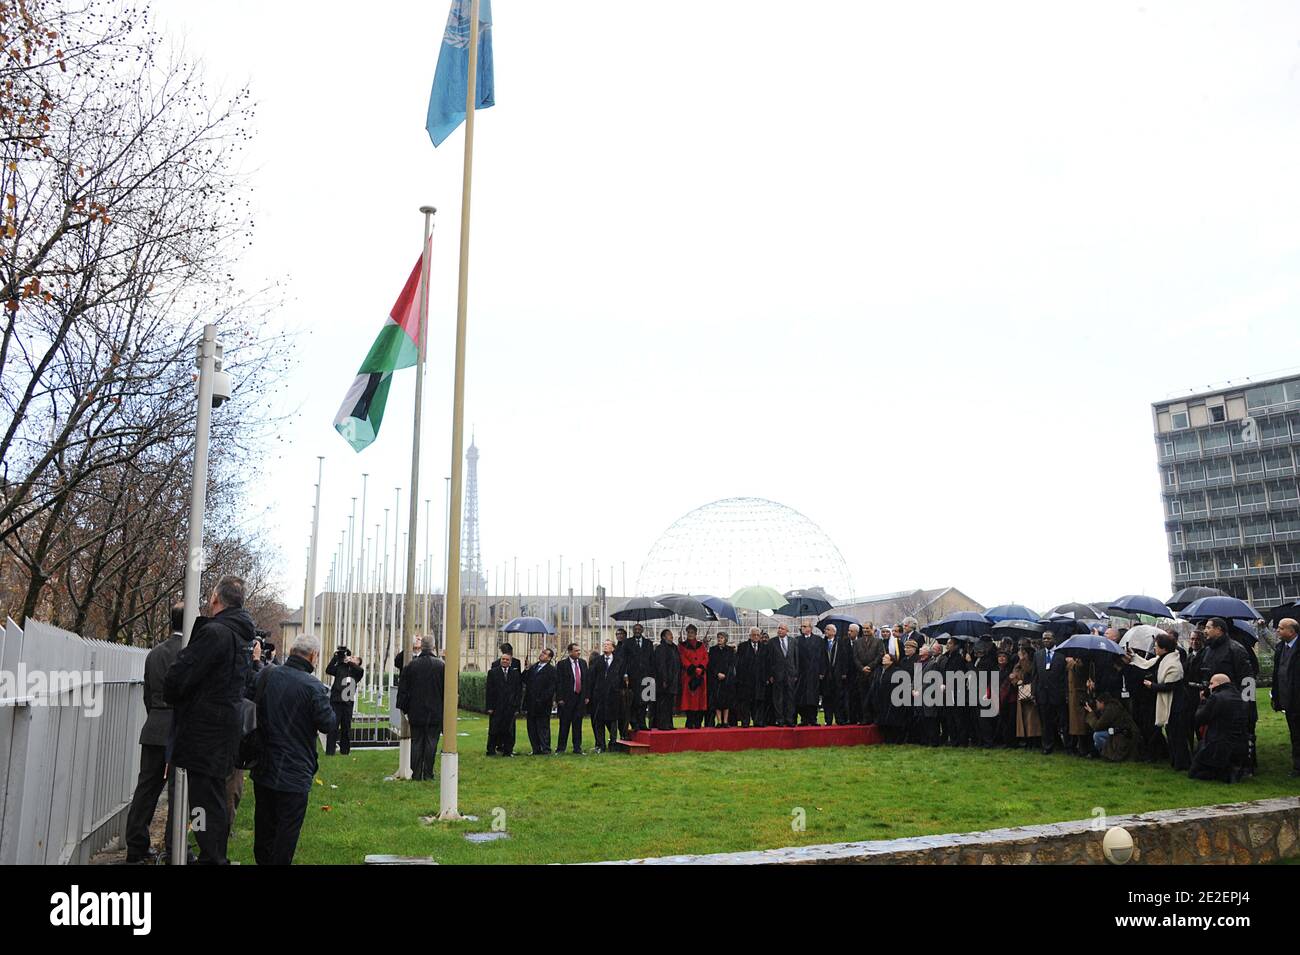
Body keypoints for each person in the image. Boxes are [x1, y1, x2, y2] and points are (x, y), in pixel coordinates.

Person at [162, 575, 256, 865]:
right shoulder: (241, 634)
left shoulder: (216, 633)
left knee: (202, 805)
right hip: (222, 732)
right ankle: (214, 855)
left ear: (216, 599)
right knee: (213, 800)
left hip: (204, 734)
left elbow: (178, 678)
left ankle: (211, 858)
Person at [250, 633, 334, 864]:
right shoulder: (313, 687)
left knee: (265, 827)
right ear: (313, 656)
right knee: (286, 832)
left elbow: (249, 697)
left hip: (264, 764)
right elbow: (327, 724)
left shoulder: (267, 675)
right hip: (296, 770)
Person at [124, 603, 185, 864]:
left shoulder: (155, 653)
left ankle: (135, 847)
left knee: (146, 790)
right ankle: (175, 847)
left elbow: (148, 694)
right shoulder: (189, 653)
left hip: (154, 727)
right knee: (179, 792)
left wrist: (156, 717)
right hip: (179, 729)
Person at [1126, 633, 1190, 771]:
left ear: (1164, 648)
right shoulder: (1162, 659)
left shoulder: (1174, 664)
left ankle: (1182, 763)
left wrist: (1152, 686)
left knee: (1177, 734)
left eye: (1156, 646)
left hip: (1176, 703)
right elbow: (1147, 664)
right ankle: (1175, 762)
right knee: (1171, 733)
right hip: (1169, 701)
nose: (1154, 648)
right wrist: (1134, 656)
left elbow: (1170, 686)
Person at [396, 636, 445, 779]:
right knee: (431, 742)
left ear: (421, 647)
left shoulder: (411, 666)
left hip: (415, 711)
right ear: (433, 646)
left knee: (416, 742)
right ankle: (428, 773)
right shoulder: (441, 666)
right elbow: (446, 691)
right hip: (435, 710)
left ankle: (416, 773)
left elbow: (403, 690)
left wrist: (405, 709)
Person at [1189, 673, 1249, 782]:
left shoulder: (1216, 697)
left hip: (1218, 743)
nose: (1209, 687)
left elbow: (1200, 718)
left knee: (1195, 772)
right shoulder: (1240, 697)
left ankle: (1222, 774)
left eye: (1211, 683)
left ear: (1218, 684)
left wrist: (1202, 701)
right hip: (1240, 743)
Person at [1271, 617, 1299, 777]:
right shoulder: (1281, 648)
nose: (1278, 631)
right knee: (1295, 734)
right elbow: (1277, 674)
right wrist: (1276, 696)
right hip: (1288, 700)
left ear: (1291, 631)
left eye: (1281, 628)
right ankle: (1297, 766)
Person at [1032, 632, 1068, 754]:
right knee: (1046, 723)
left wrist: (1065, 693)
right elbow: (1035, 675)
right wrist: (1034, 692)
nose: (1046, 640)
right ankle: (1047, 746)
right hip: (1042, 694)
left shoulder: (1061, 655)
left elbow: (1065, 676)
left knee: (1063, 722)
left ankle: (1068, 746)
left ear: (1054, 639)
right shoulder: (1038, 655)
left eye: (1048, 638)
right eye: (1044, 638)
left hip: (1058, 694)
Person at [324, 647, 363, 756]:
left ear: (358, 663)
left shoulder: (357, 672)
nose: (351, 658)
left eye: (355, 658)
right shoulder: (340, 667)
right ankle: (330, 751)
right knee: (333, 727)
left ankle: (345, 751)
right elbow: (328, 670)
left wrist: (350, 662)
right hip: (336, 701)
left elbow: (360, 670)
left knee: (346, 728)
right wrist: (336, 657)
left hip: (347, 702)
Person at [1083, 693, 1141, 762]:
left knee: (1097, 736)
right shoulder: (1111, 707)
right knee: (1097, 740)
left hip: (1124, 736)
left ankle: (1108, 754)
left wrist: (1091, 713)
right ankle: (1106, 753)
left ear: (1102, 703)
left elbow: (1097, 726)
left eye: (1097, 703)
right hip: (1121, 734)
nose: (1096, 704)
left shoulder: (1110, 709)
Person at [554, 643, 589, 754]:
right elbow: (558, 682)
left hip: (580, 698)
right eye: (576, 650)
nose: (578, 652)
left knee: (577, 725)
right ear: (569, 652)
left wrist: (586, 696)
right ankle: (561, 748)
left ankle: (577, 748)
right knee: (564, 724)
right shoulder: (562, 664)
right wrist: (559, 698)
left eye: (579, 650)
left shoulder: (583, 663)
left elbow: (585, 681)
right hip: (567, 699)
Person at [485, 651, 522, 756]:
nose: (505, 661)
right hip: (496, 706)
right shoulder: (493, 672)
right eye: (503, 659)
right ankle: (491, 750)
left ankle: (507, 751)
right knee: (494, 729)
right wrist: (489, 707)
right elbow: (489, 691)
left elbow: (518, 691)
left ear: (510, 661)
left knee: (508, 730)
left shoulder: (515, 673)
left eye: (507, 660)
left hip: (510, 706)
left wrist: (516, 707)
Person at [764, 623, 799, 727]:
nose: (779, 630)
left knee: (790, 698)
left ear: (787, 630)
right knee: (778, 698)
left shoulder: (793, 641)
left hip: (790, 674)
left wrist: (796, 673)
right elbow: (769, 660)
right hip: (777, 675)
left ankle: (789, 719)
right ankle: (780, 719)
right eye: (778, 628)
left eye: (782, 628)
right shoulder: (772, 642)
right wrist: (770, 675)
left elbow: (796, 658)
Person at [589, 638, 621, 751]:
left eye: (608, 645)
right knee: (599, 721)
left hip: (613, 695)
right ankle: (600, 745)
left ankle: (613, 744)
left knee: (612, 721)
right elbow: (592, 678)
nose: (605, 646)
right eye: (604, 644)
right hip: (599, 696)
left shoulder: (619, 660)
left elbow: (621, 676)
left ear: (613, 648)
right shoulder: (597, 661)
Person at [523, 648, 556, 754]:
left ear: (549, 658)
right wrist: (527, 669)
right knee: (531, 727)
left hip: (543, 704)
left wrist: (542, 699)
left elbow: (551, 687)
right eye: (542, 652)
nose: (542, 654)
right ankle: (535, 748)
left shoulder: (551, 670)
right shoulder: (533, 667)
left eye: (545, 654)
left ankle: (545, 748)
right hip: (531, 703)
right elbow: (525, 680)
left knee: (543, 727)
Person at [733, 627, 766, 727]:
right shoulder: (743, 647)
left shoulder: (764, 647)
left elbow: (767, 663)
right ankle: (745, 721)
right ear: (750, 636)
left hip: (759, 680)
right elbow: (738, 663)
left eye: (757, 635)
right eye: (753, 635)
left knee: (758, 701)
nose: (756, 637)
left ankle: (758, 721)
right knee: (745, 702)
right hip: (746, 681)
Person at [677, 625, 709, 728]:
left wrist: (701, 667)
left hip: (700, 676)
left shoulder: (701, 645)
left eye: (692, 632)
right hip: (689, 675)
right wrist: (692, 668)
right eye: (689, 632)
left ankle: (698, 721)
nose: (690, 634)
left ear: (696, 634)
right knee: (689, 699)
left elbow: (705, 657)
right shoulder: (682, 646)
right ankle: (690, 721)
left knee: (700, 700)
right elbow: (682, 658)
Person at [794, 620, 824, 726]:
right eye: (802, 626)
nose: (803, 628)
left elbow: (822, 657)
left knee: (813, 697)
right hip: (802, 674)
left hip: (814, 673)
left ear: (810, 628)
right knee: (802, 698)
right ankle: (804, 719)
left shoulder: (818, 640)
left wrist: (821, 671)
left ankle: (813, 719)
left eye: (805, 626)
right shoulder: (797, 640)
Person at [872, 653, 907, 743]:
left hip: (892, 699)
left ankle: (895, 739)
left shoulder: (896, 671)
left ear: (892, 661)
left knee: (893, 719)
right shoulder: (879, 671)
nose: (883, 659)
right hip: (881, 699)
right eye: (883, 657)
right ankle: (886, 738)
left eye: (886, 658)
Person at [822, 623, 853, 725]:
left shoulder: (841, 643)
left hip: (838, 676)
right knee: (827, 699)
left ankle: (840, 719)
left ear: (834, 632)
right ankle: (828, 720)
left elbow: (845, 658)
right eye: (826, 629)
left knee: (838, 698)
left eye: (828, 629)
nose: (826, 631)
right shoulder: (823, 643)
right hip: (826, 676)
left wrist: (844, 672)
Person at [1010, 644, 1040, 750]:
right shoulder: (1019, 663)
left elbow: (1029, 671)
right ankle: (1027, 741)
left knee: (1032, 720)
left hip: (1031, 693)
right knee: (1023, 719)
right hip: (1022, 692)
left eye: (1022, 652)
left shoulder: (1032, 662)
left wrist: (1023, 660)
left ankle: (1034, 741)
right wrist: (1016, 681)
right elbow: (1013, 675)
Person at [853, 622, 884, 724]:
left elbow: (880, 656)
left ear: (872, 629)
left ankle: (875, 719)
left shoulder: (878, 641)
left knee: (874, 697)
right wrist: (862, 668)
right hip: (861, 674)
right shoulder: (857, 642)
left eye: (867, 628)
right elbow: (855, 657)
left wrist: (870, 667)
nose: (865, 630)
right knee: (863, 697)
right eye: (864, 628)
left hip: (873, 673)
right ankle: (865, 719)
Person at [653, 628, 681, 730]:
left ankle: (669, 723)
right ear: (663, 637)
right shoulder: (661, 648)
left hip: (673, 680)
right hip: (664, 681)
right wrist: (664, 679)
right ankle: (662, 724)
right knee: (663, 704)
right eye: (669, 634)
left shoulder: (674, 648)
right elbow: (661, 665)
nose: (671, 636)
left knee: (670, 704)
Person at [707, 631, 736, 727]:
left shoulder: (730, 650)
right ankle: (719, 721)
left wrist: (726, 675)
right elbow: (711, 664)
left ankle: (725, 721)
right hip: (716, 679)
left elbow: (731, 664)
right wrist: (717, 674)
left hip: (727, 680)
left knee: (726, 701)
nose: (719, 639)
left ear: (726, 639)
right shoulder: (713, 650)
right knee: (717, 701)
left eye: (722, 638)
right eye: (718, 637)